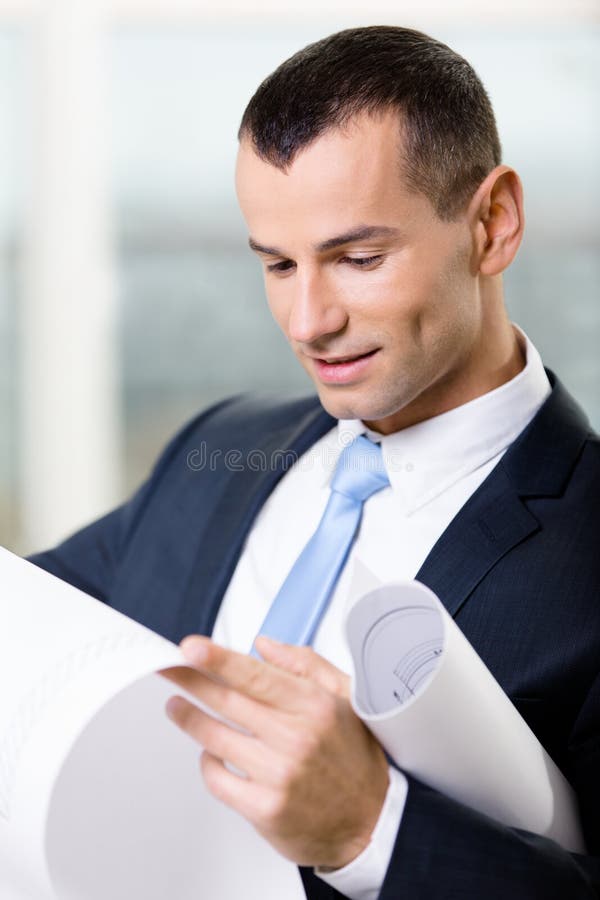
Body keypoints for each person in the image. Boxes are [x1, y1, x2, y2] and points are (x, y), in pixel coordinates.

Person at [30, 25, 600, 899]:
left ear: (492, 224)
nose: (306, 322)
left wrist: (369, 827)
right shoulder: (221, 447)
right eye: (277, 264)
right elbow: (31, 618)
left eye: (359, 259)